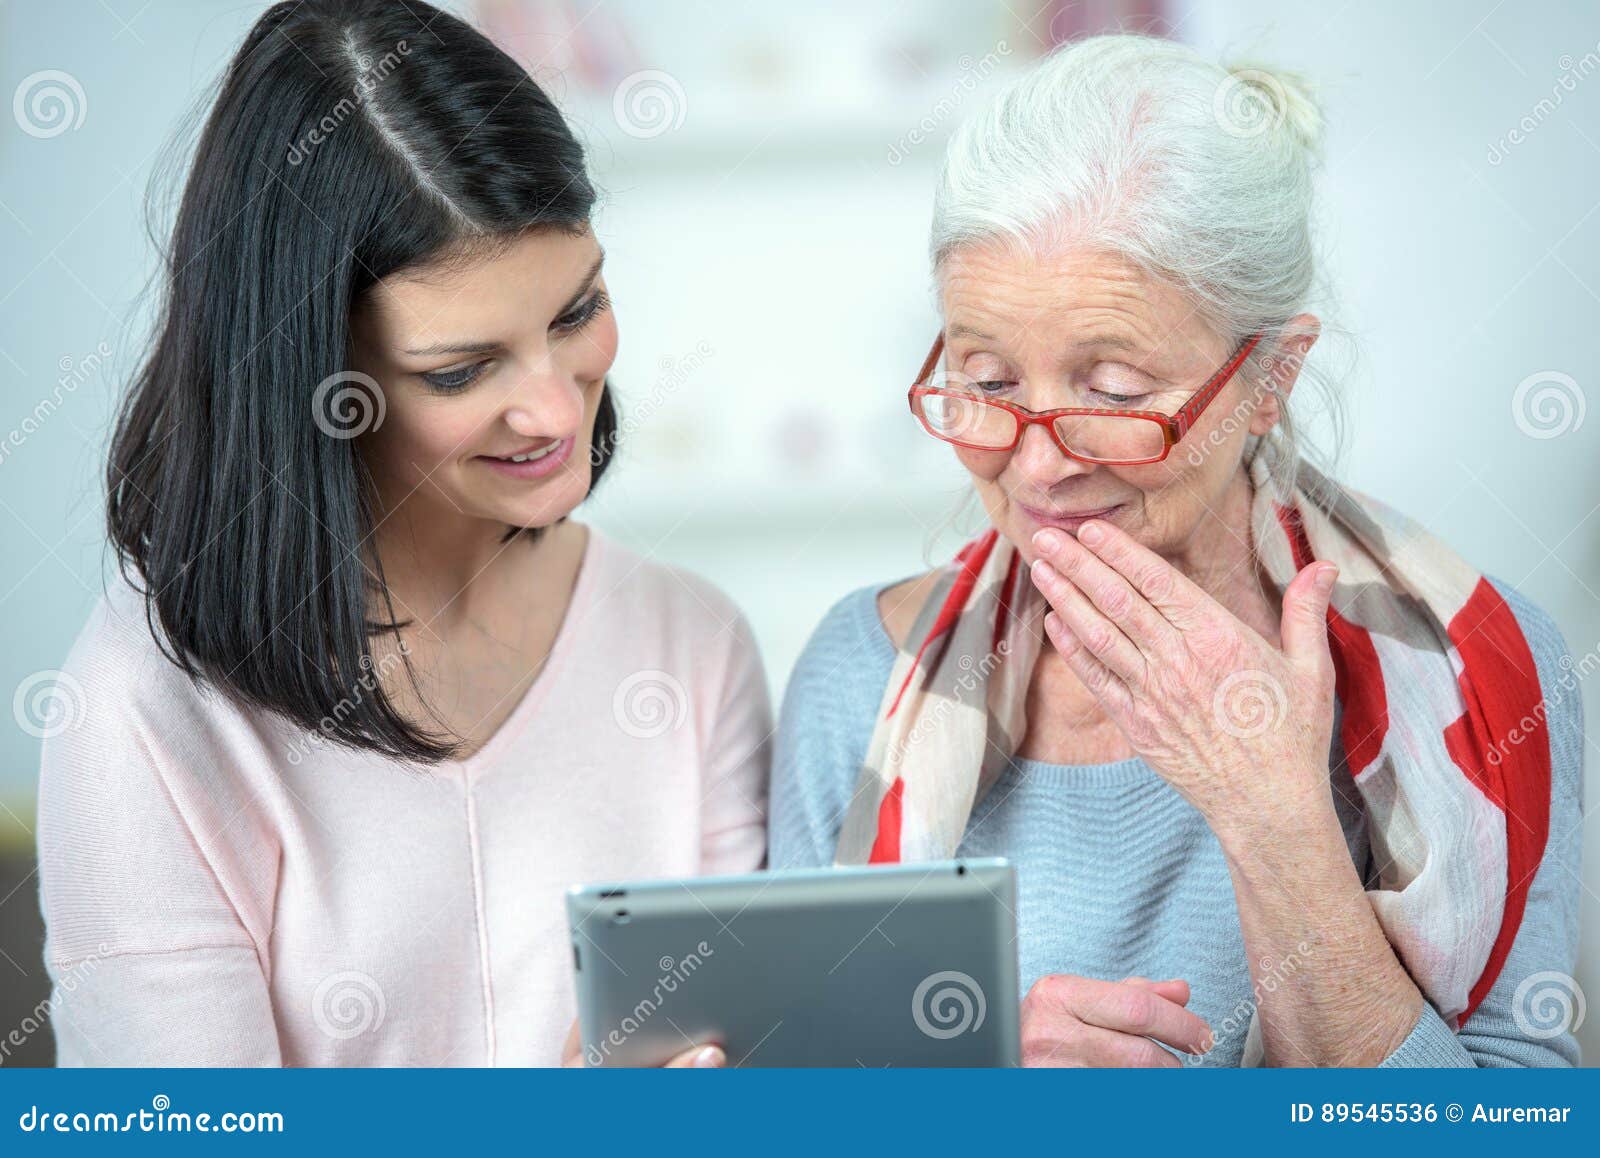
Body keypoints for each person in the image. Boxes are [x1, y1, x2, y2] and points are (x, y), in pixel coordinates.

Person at [770, 34, 1583, 1067]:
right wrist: (977, 1076)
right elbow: (777, 1100)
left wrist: (1272, 814)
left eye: (1111, 392)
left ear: (1270, 376)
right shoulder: (858, 671)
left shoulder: (1480, 674)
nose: (1034, 469)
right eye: (986, 379)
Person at [37, 0, 767, 1067]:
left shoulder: (689, 647)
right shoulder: (148, 706)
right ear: (315, 377)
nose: (559, 412)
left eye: (575, 312)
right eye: (461, 370)